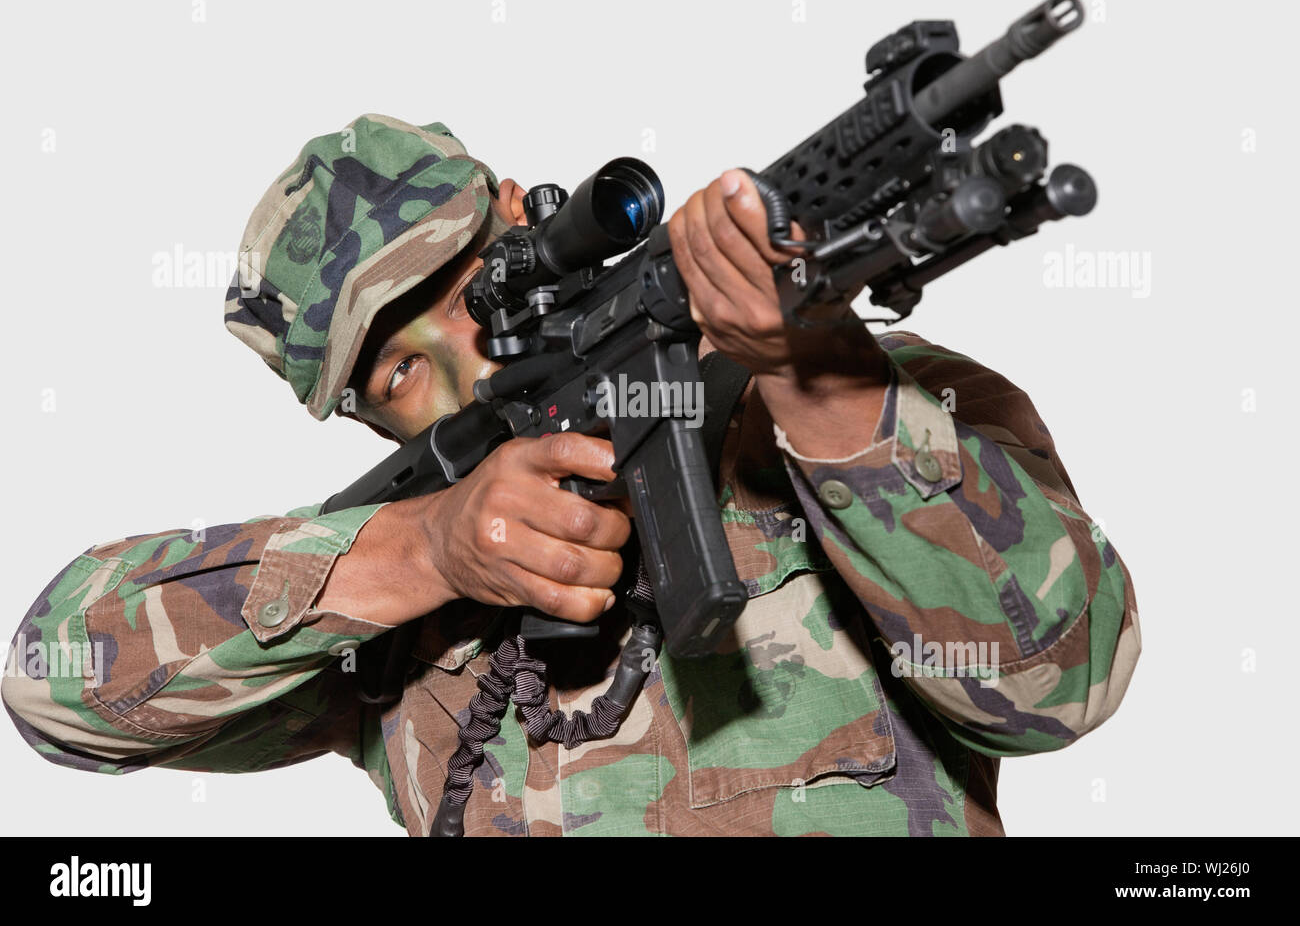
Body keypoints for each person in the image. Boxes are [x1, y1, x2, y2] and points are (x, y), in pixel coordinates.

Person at [2, 114, 1140, 836]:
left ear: (520, 216)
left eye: (457, 279)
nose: (465, 349)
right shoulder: (384, 623)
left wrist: (821, 383)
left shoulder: (855, 401)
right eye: (398, 365)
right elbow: (51, 682)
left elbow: (1063, 684)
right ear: (357, 412)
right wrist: (420, 549)